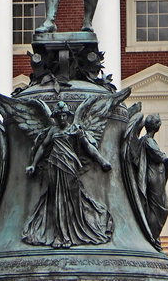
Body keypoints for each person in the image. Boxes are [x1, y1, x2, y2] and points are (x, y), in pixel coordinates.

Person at [22, 101, 114, 248]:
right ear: (55, 117)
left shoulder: (75, 129)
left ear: (68, 116)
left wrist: (102, 161)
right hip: (54, 165)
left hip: (70, 166)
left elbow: (88, 147)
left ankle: (74, 232)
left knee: (74, 199)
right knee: (57, 200)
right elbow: (43, 147)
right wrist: (33, 164)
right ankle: (61, 236)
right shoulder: (53, 131)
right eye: (59, 116)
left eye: (64, 115)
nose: (62, 118)